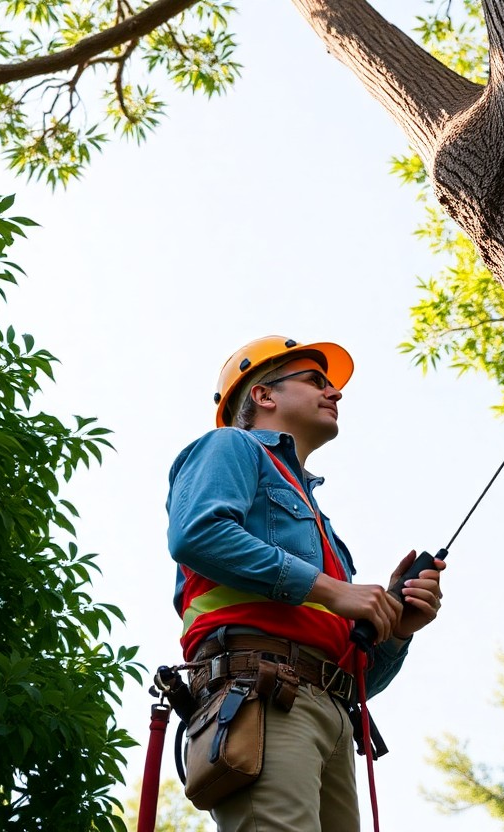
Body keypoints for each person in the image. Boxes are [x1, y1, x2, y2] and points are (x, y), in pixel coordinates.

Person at [167, 335, 446, 832]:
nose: (334, 392)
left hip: (328, 714)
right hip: (263, 694)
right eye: (316, 381)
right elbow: (197, 534)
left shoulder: (323, 531)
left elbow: (358, 683)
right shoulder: (230, 446)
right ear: (263, 396)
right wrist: (336, 591)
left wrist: (398, 630)